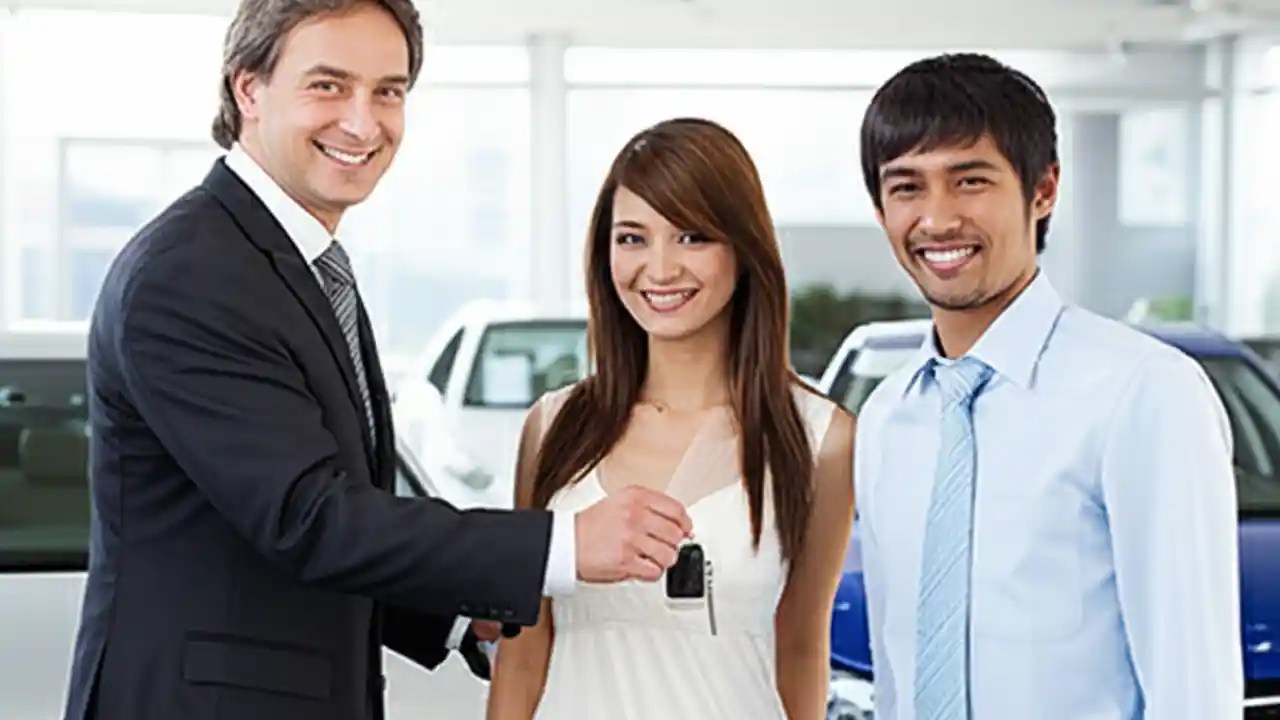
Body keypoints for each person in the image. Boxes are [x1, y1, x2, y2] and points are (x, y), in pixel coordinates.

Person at [63, 1, 693, 718]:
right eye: (327, 86)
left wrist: (455, 616)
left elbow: (310, 518)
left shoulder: (298, 260)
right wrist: (565, 546)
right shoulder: (192, 272)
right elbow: (308, 517)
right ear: (249, 89)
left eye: (388, 91)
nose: (363, 123)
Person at [854, 53, 1243, 719]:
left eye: (969, 180)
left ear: (1043, 190)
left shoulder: (1144, 393)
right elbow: (896, 673)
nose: (938, 219)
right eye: (907, 187)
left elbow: (1193, 686)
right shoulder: (888, 417)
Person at [484, 117, 856, 719]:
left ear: (744, 247)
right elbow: (524, 652)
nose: (658, 269)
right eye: (632, 238)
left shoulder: (821, 439)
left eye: (691, 236)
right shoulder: (554, 427)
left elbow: (802, 648)